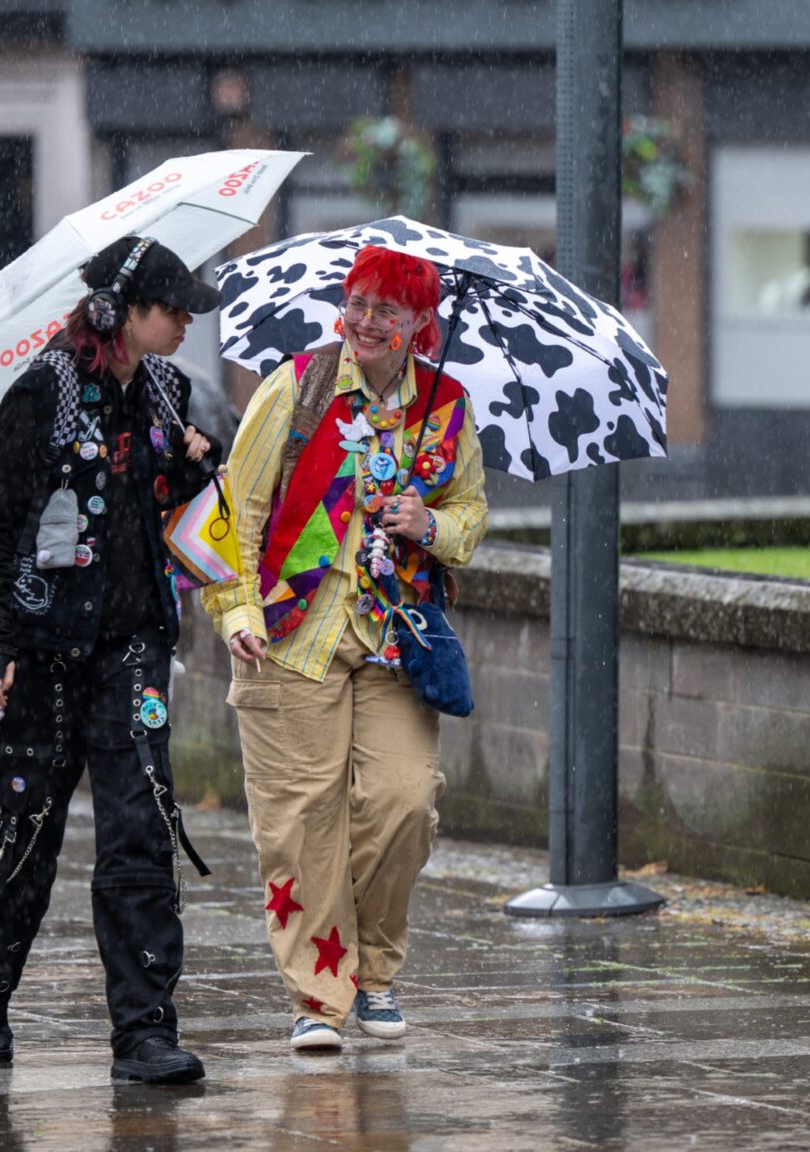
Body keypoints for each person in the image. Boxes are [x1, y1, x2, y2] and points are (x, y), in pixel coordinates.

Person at [204, 246, 489, 1051]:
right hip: (291, 636)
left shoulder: (444, 407)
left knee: (402, 805)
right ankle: (317, 997)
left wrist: (429, 525)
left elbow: (469, 508)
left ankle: (374, 970)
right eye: (357, 302)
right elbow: (237, 508)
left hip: (396, 639)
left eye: (386, 312)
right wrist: (235, 611)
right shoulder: (299, 386)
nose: (365, 321)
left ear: (416, 327)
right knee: (301, 823)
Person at [0, 235, 222, 1084]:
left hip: (133, 645)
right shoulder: (44, 393)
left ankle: (144, 1029)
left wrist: (192, 470)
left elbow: (170, 519)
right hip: (43, 649)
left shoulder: (168, 395)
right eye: (172, 310)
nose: (184, 323)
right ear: (121, 311)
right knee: (26, 829)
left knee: (142, 825)